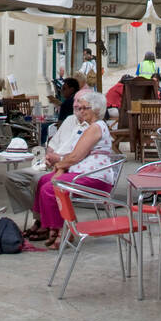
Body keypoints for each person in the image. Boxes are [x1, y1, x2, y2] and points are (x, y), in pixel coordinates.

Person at [30, 91, 118, 248]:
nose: (81, 111)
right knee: (43, 180)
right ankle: (46, 223)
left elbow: (76, 156)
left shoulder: (96, 127)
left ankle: (61, 230)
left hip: (95, 177)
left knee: (51, 188)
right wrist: (60, 167)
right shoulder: (88, 127)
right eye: (81, 107)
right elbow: (73, 155)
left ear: (96, 110)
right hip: (82, 172)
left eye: (85, 108)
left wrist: (59, 167)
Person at [9, 88, 92, 216]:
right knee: (12, 178)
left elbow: (79, 157)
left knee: (38, 180)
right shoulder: (70, 120)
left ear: (89, 105)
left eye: (79, 101)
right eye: (75, 100)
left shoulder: (92, 127)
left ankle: (41, 221)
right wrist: (48, 157)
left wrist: (57, 160)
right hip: (49, 164)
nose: (75, 104)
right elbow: (52, 145)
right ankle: (41, 216)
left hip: (66, 168)